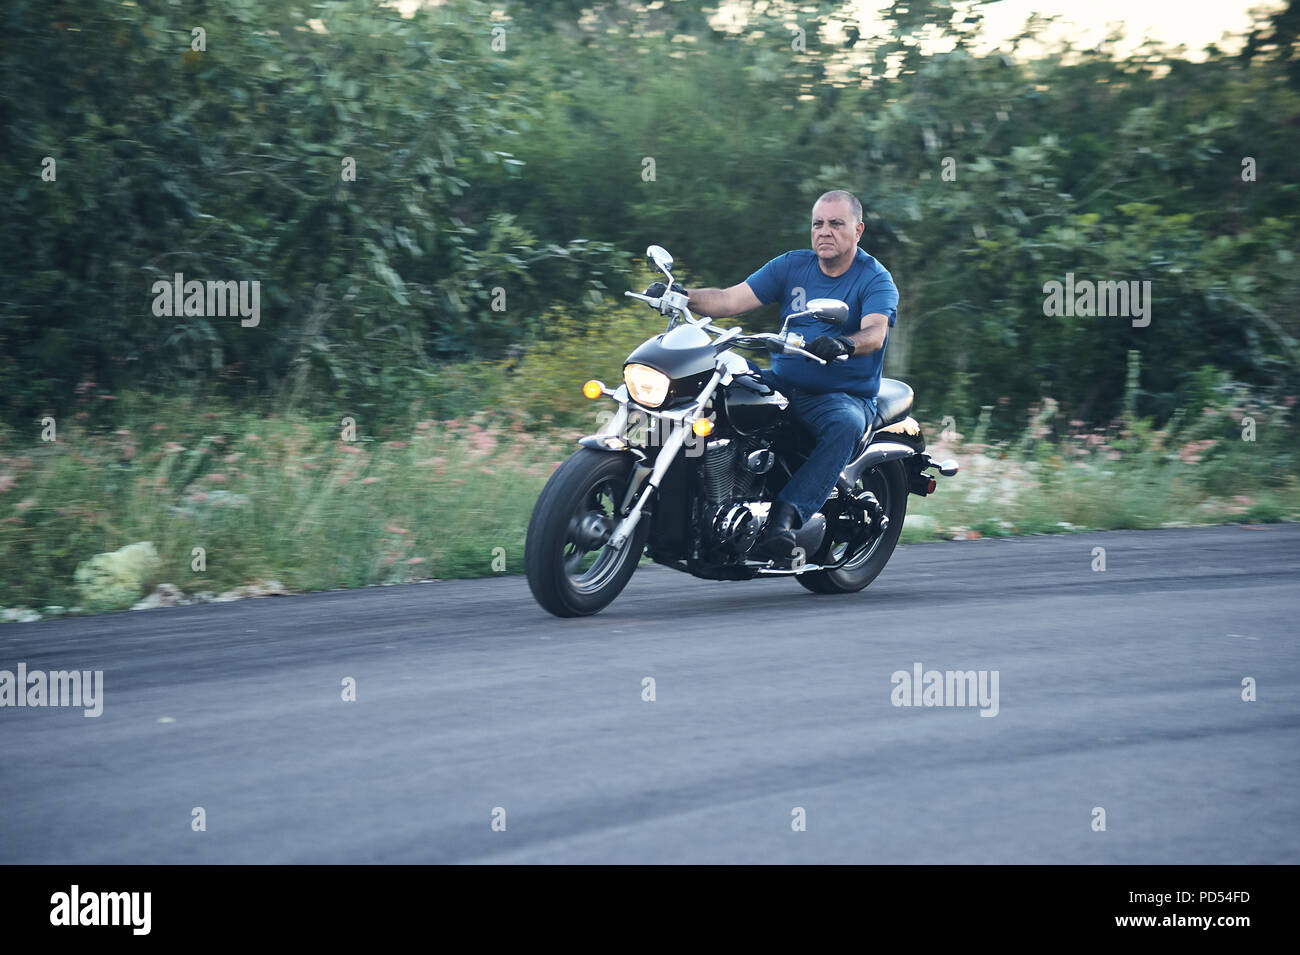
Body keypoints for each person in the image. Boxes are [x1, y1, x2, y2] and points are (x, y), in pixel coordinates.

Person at [645, 190, 899, 561]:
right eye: (818, 224)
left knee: (844, 424)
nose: (824, 232)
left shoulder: (875, 279)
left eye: (835, 224)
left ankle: (784, 519)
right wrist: (681, 294)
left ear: (858, 230)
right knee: (721, 389)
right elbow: (730, 300)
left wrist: (843, 345)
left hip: (840, 394)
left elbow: (875, 332)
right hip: (782, 381)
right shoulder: (792, 265)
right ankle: (702, 503)